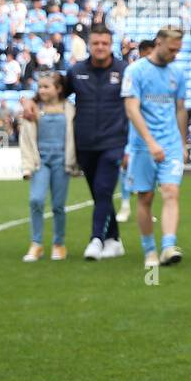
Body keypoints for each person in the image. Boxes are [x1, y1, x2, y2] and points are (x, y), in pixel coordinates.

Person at [59, 24, 129, 260]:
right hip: (85, 143)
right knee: (100, 194)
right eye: (96, 43)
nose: (100, 47)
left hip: (114, 142)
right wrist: (32, 102)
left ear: (111, 45)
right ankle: (114, 240)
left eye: (105, 43)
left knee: (103, 189)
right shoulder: (76, 71)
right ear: (89, 44)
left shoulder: (125, 70)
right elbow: (57, 96)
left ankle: (96, 239)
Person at [123, 27, 188, 267]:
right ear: (158, 43)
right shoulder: (135, 71)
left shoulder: (178, 73)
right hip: (142, 145)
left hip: (170, 143)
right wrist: (150, 143)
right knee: (146, 196)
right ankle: (149, 249)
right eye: (171, 49)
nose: (175, 54)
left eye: (178, 50)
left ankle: (169, 246)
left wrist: (181, 143)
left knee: (171, 192)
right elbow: (131, 108)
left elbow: (180, 109)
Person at [19, 73, 79, 262]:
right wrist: (27, 167)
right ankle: (36, 244)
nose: (42, 90)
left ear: (59, 89)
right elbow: (26, 141)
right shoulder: (33, 109)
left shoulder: (71, 109)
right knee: (36, 200)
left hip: (62, 162)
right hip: (40, 162)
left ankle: (58, 244)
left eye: (46, 86)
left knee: (58, 205)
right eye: (40, 87)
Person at [116, 40, 155, 223]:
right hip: (128, 127)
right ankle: (124, 205)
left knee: (149, 169)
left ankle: (146, 208)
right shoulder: (130, 72)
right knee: (126, 165)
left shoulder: (159, 74)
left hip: (151, 129)